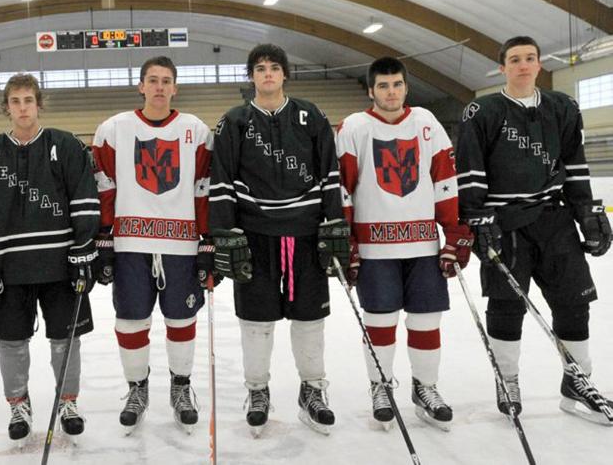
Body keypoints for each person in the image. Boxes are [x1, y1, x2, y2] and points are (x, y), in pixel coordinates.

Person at [457, 36, 612, 422]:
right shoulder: (484, 111)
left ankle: (578, 382)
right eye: (515, 60)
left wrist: (588, 212)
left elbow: (574, 166)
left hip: (553, 219)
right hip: (504, 222)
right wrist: (477, 220)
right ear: (502, 68)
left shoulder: (562, 108)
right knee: (507, 304)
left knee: (574, 301)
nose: (523, 65)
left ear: (540, 64)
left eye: (530, 58)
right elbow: (470, 171)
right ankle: (507, 378)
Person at [209, 43, 349, 436]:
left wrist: (334, 223)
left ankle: (312, 390)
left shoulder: (311, 117)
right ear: (251, 76)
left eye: (274, 67)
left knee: (310, 317)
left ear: (285, 73)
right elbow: (220, 182)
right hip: (255, 235)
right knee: (256, 321)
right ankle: (257, 391)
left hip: (305, 234)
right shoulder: (233, 121)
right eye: (260, 68)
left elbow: (330, 174)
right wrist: (225, 233)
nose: (267, 73)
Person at [335, 57, 473, 431]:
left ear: (406, 87)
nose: (391, 92)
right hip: (375, 249)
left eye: (397, 84)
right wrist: (347, 242)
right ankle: (380, 386)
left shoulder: (427, 123)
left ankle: (425, 388)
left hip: (423, 246)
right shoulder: (353, 128)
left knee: (427, 321)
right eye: (383, 86)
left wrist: (454, 233)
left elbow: (445, 182)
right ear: (370, 90)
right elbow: (343, 191)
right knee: (379, 321)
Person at [0, 74, 99, 444]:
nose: (22, 107)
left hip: (60, 264)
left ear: (39, 104)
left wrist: (84, 247)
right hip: (9, 267)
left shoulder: (66, 145)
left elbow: (85, 199)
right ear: (6, 107)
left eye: (28, 100)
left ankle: (67, 401)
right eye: (15, 101)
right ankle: (18, 405)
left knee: (65, 340)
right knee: (11, 342)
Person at [92, 56, 214, 435]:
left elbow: (203, 190)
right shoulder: (112, 130)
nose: (159, 87)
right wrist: (104, 234)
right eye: (152, 80)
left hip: (181, 245)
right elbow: (104, 187)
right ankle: (137, 389)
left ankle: (180, 387)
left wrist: (207, 239)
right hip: (131, 244)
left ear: (175, 87)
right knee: (130, 321)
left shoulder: (196, 129)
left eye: (166, 81)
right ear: (141, 86)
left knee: (181, 320)